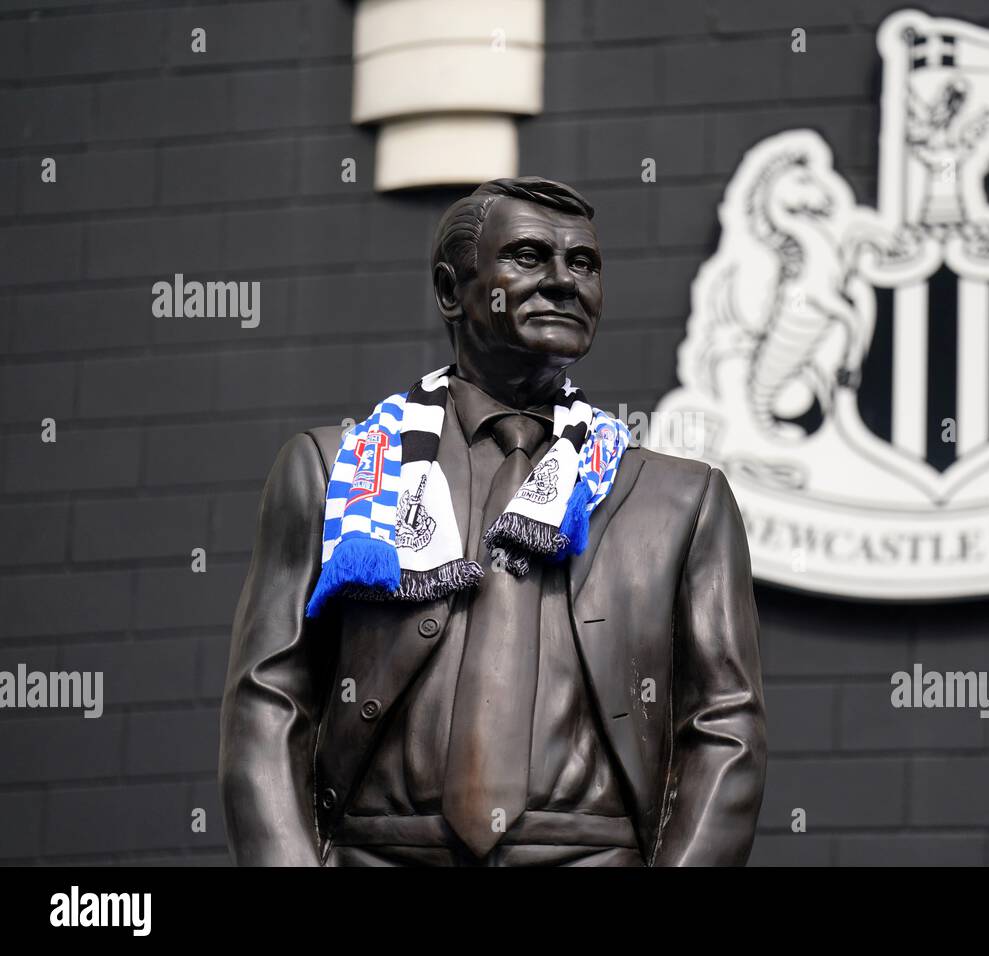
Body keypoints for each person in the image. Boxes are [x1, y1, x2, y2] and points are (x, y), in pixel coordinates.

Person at [218, 177, 766, 866]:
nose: (565, 282)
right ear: (453, 289)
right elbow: (269, 700)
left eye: (585, 264)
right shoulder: (340, 473)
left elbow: (724, 725)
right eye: (531, 257)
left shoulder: (681, 500)